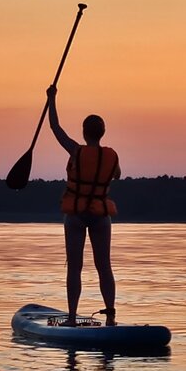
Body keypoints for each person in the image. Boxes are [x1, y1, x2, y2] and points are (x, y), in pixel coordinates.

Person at [47, 85, 121, 326]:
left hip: (77, 215)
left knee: (74, 267)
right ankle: (110, 316)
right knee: (104, 266)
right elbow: (117, 175)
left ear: (83, 132)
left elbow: (55, 129)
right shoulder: (111, 156)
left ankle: (71, 318)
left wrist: (51, 100)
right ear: (103, 132)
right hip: (100, 217)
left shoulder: (75, 151)